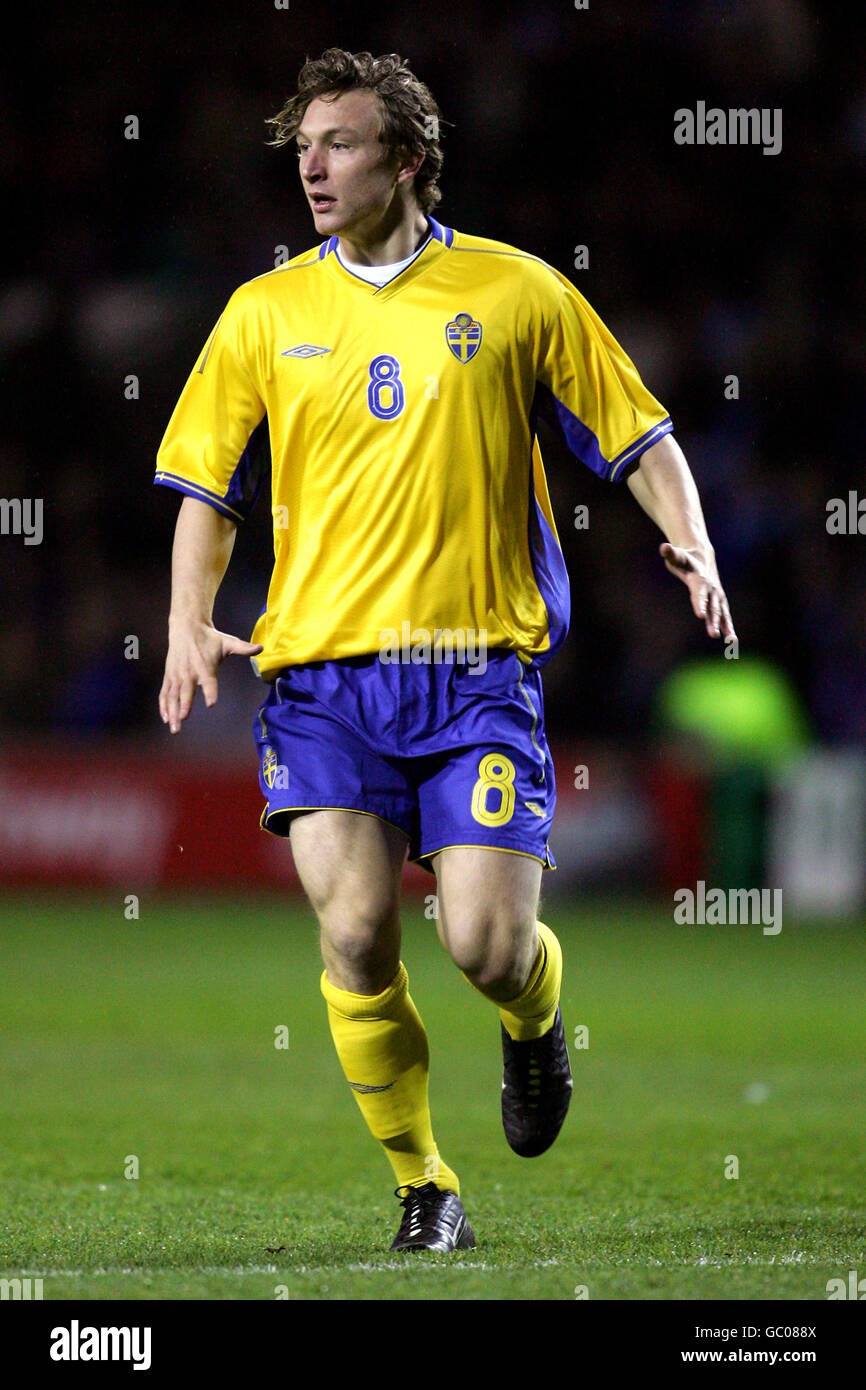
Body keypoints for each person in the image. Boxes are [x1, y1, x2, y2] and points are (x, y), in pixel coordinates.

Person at [155, 47, 735, 1253]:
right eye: (302, 145)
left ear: (408, 160)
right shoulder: (264, 312)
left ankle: (532, 1021)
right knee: (356, 933)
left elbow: (636, 430)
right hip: (318, 679)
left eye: (341, 144)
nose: (311, 166)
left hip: (474, 672)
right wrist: (181, 617)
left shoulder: (517, 292)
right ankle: (424, 1184)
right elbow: (204, 486)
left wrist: (692, 542)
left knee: (481, 943)